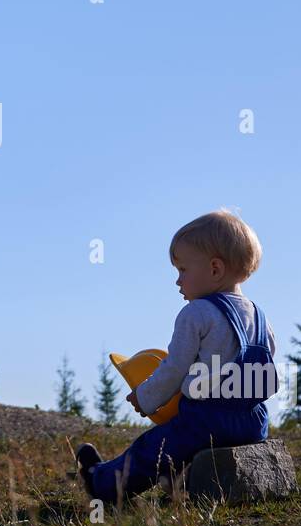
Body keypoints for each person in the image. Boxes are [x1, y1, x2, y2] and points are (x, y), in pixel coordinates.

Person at [76, 209, 277, 504]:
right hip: (254, 422)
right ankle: (180, 482)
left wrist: (145, 397)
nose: (178, 281)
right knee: (182, 446)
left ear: (214, 269)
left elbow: (175, 367)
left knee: (152, 448)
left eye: (183, 270)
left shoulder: (196, 313)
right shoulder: (260, 318)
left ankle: (102, 482)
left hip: (207, 419)